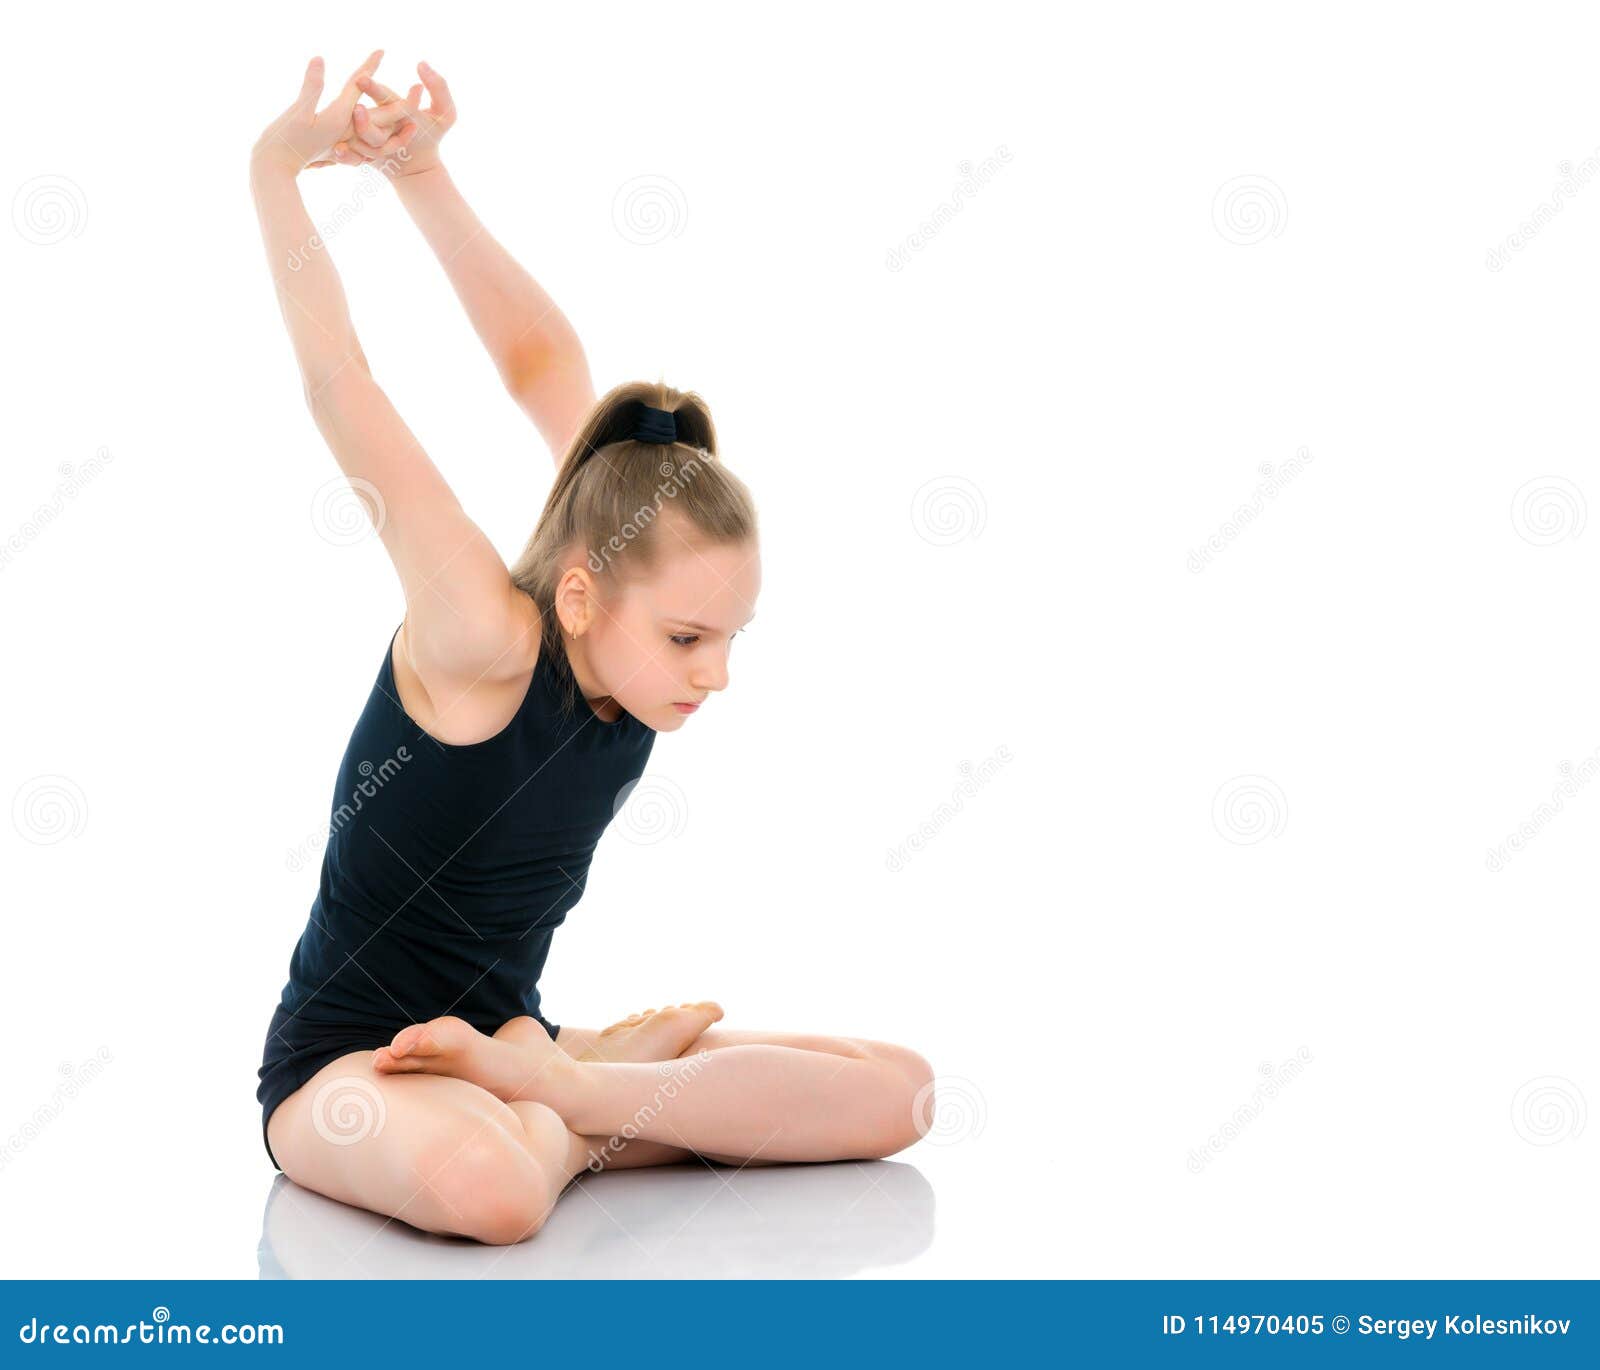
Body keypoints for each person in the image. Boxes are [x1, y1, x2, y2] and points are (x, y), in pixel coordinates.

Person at [249, 51, 936, 1246]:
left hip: (522, 1049)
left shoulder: (623, 536)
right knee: (498, 1191)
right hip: (350, 1071)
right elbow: (339, 383)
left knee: (902, 1087)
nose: (714, 671)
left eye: (729, 637)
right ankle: (577, 1104)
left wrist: (421, 174)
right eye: (687, 637)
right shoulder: (482, 639)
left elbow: (543, 368)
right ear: (581, 594)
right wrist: (275, 172)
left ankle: (567, 1090)